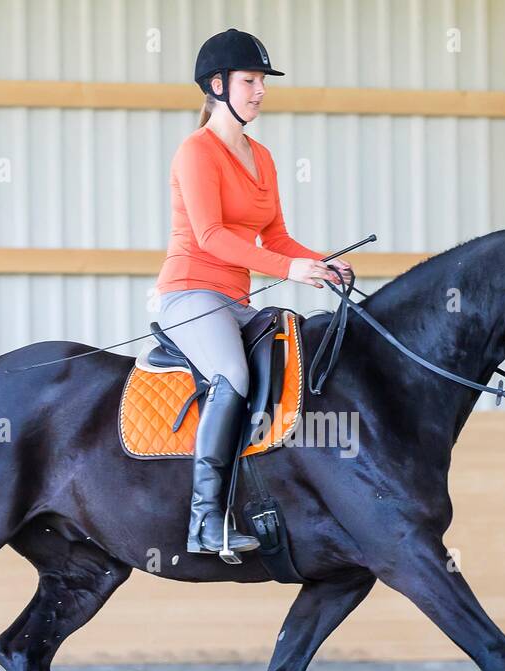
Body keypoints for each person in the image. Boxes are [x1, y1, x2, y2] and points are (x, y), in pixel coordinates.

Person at [155, 28, 352, 557]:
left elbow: (278, 238)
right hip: (191, 293)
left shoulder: (262, 157)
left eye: (262, 80)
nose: (260, 90)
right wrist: (291, 269)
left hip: (238, 302)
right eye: (250, 80)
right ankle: (204, 522)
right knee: (233, 375)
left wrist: (321, 264)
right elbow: (211, 236)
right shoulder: (197, 152)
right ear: (217, 85)